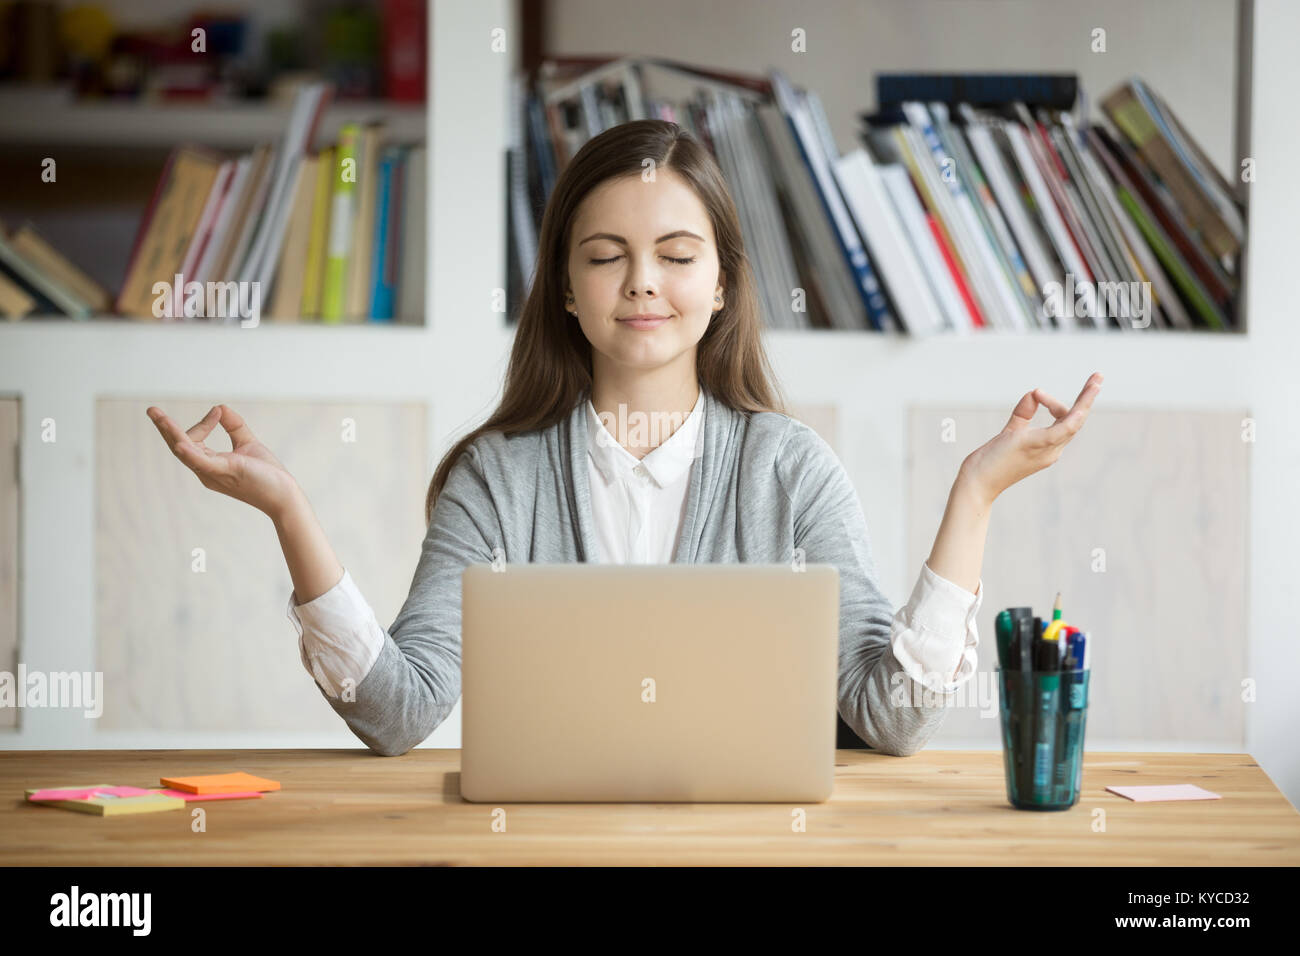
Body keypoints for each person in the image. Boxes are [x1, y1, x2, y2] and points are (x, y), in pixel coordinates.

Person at [147, 119, 1102, 757]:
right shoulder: (499, 477)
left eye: (677, 257)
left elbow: (889, 718)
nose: (642, 282)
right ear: (566, 288)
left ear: (721, 283)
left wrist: (973, 495)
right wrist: (288, 510)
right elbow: (399, 716)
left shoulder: (790, 470)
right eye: (607, 258)